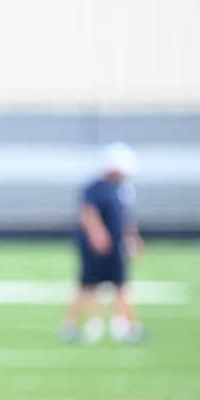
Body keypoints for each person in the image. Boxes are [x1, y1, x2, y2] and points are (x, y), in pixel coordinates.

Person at [59, 142, 145, 344]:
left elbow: (124, 219)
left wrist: (133, 238)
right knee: (86, 286)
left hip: (115, 247)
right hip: (95, 248)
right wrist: (98, 235)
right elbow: (88, 213)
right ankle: (70, 326)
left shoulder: (122, 190)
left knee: (121, 286)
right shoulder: (97, 188)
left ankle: (129, 328)